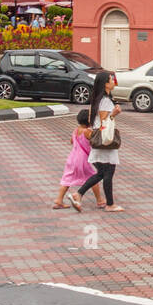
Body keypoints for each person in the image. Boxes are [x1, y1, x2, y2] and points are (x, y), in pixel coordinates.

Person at [78, 71, 124, 212]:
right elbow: (104, 120)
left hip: (102, 140)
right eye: (111, 79)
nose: (113, 81)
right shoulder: (104, 100)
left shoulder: (102, 99)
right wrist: (114, 114)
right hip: (104, 140)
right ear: (105, 83)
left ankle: (78, 194)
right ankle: (110, 204)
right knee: (108, 172)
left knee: (103, 173)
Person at [54, 109, 102, 211]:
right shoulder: (87, 132)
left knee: (67, 179)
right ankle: (100, 200)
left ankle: (59, 200)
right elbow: (96, 141)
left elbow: (72, 141)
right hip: (83, 160)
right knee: (93, 178)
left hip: (71, 158)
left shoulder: (75, 130)